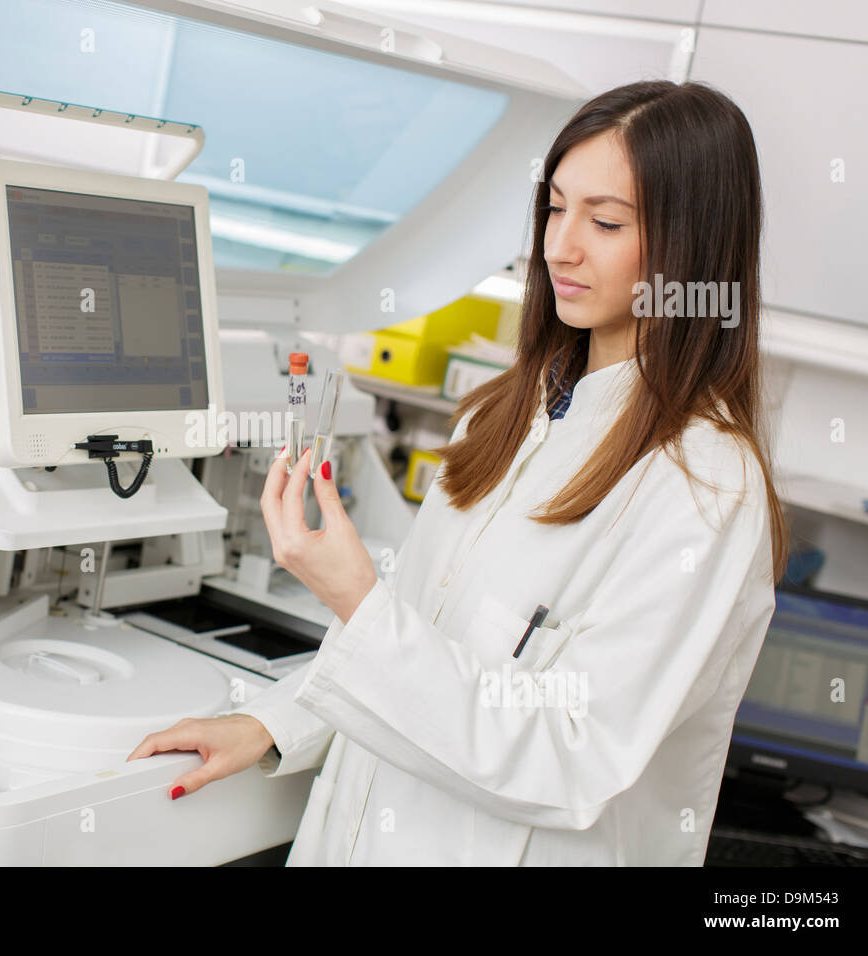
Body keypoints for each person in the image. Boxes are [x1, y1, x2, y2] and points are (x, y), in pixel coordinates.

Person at [126, 79, 789, 866]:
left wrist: (353, 596)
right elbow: (422, 632)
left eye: (606, 221)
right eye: (555, 208)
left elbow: (573, 760)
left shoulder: (706, 489)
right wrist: (276, 723)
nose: (560, 246)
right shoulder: (502, 415)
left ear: (691, 249)